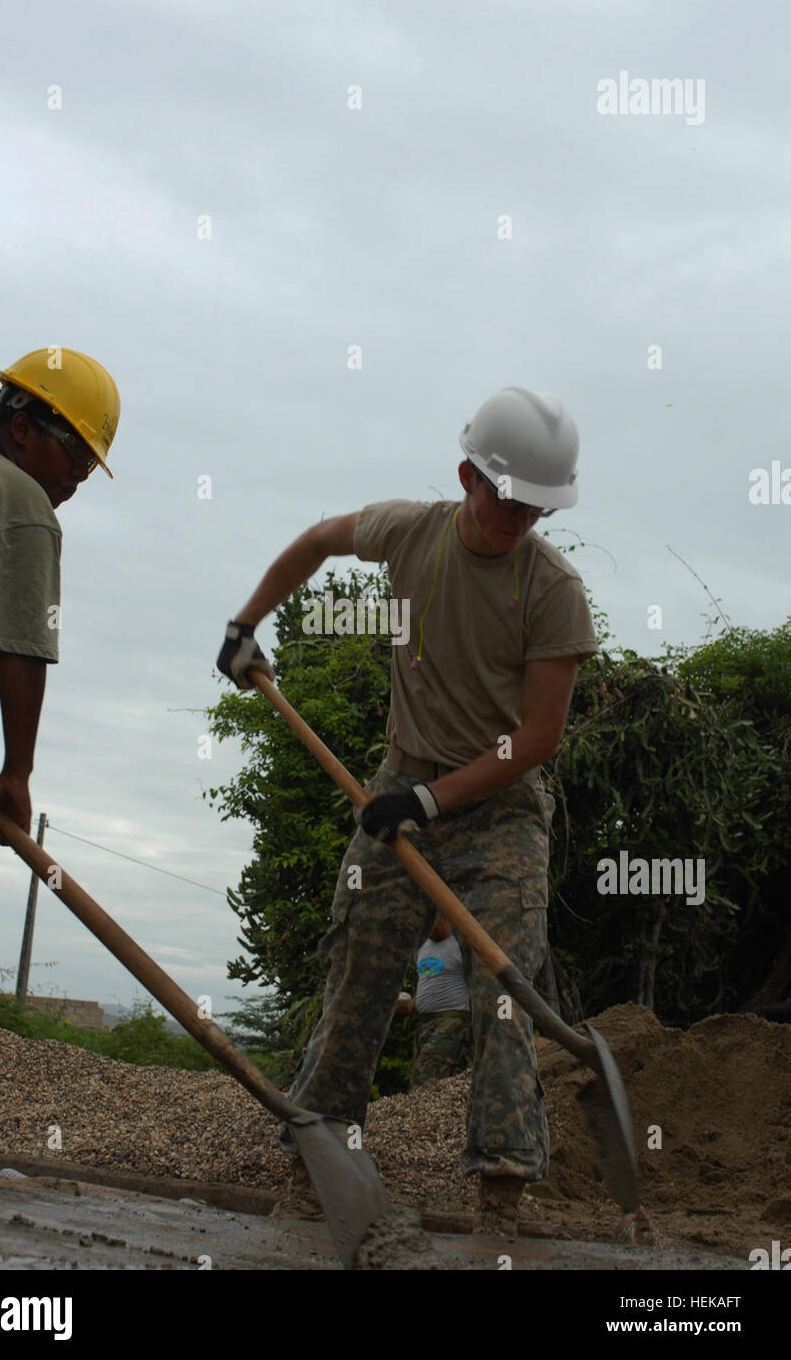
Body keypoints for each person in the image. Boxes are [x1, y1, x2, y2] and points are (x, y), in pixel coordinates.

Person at [217, 386, 598, 1234]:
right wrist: (247, 621)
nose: (519, 518)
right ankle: (317, 1165)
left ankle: (502, 1192)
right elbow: (317, 541)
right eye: (506, 498)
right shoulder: (408, 533)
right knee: (356, 972)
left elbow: (535, 738)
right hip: (398, 785)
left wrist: (430, 800)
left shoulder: (551, 590)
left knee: (505, 991)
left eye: (537, 506)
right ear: (468, 475)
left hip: (499, 808)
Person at [0, 347, 119, 1172]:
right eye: (72, 450)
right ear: (20, 428)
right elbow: (21, 648)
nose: (75, 474)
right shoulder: (23, 498)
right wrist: (15, 774)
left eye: (86, 461)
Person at [395, 913, 473, 1089]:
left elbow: (477, 982)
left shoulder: (460, 945)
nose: (427, 926)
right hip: (424, 1023)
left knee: (425, 1078)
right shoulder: (422, 948)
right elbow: (426, 981)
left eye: (432, 921)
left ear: (445, 917)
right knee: (430, 1081)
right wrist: (411, 1005)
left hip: (451, 1020)